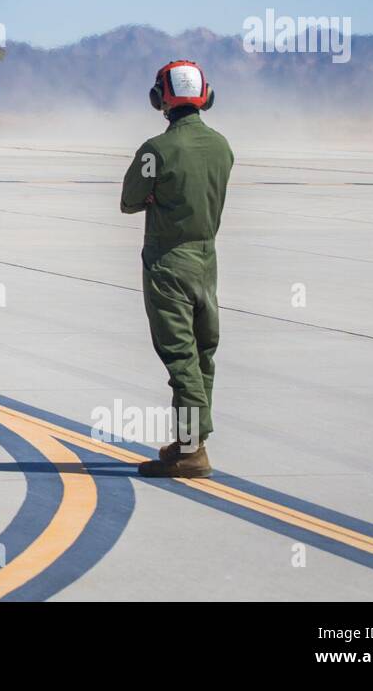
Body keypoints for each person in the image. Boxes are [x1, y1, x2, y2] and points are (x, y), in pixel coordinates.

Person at [120, 61, 233, 478]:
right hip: (207, 263)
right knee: (203, 354)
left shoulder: (156, 150)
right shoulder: (223, 147)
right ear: (206, 96)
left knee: (180, 356)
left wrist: (154, 197)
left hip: (168, 263)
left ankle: (191, 451)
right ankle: (191, 439)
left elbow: (130, 200)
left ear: (160, 100)